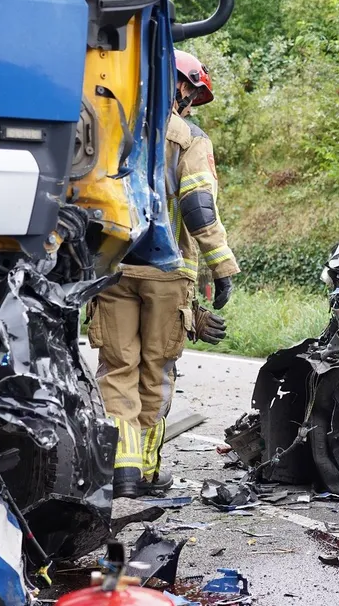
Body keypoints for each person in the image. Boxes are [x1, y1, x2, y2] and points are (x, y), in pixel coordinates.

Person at [88, 50, 239, 499]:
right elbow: (198, 208)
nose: (192, 103)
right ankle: (147, 472)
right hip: (168, 275)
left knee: (118, 368)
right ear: (181, 86)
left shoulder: (107, 124)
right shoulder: (189, 139)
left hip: (112, 268)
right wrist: (222, 266)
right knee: (156, 371)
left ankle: (122, 471)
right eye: (193, 91)